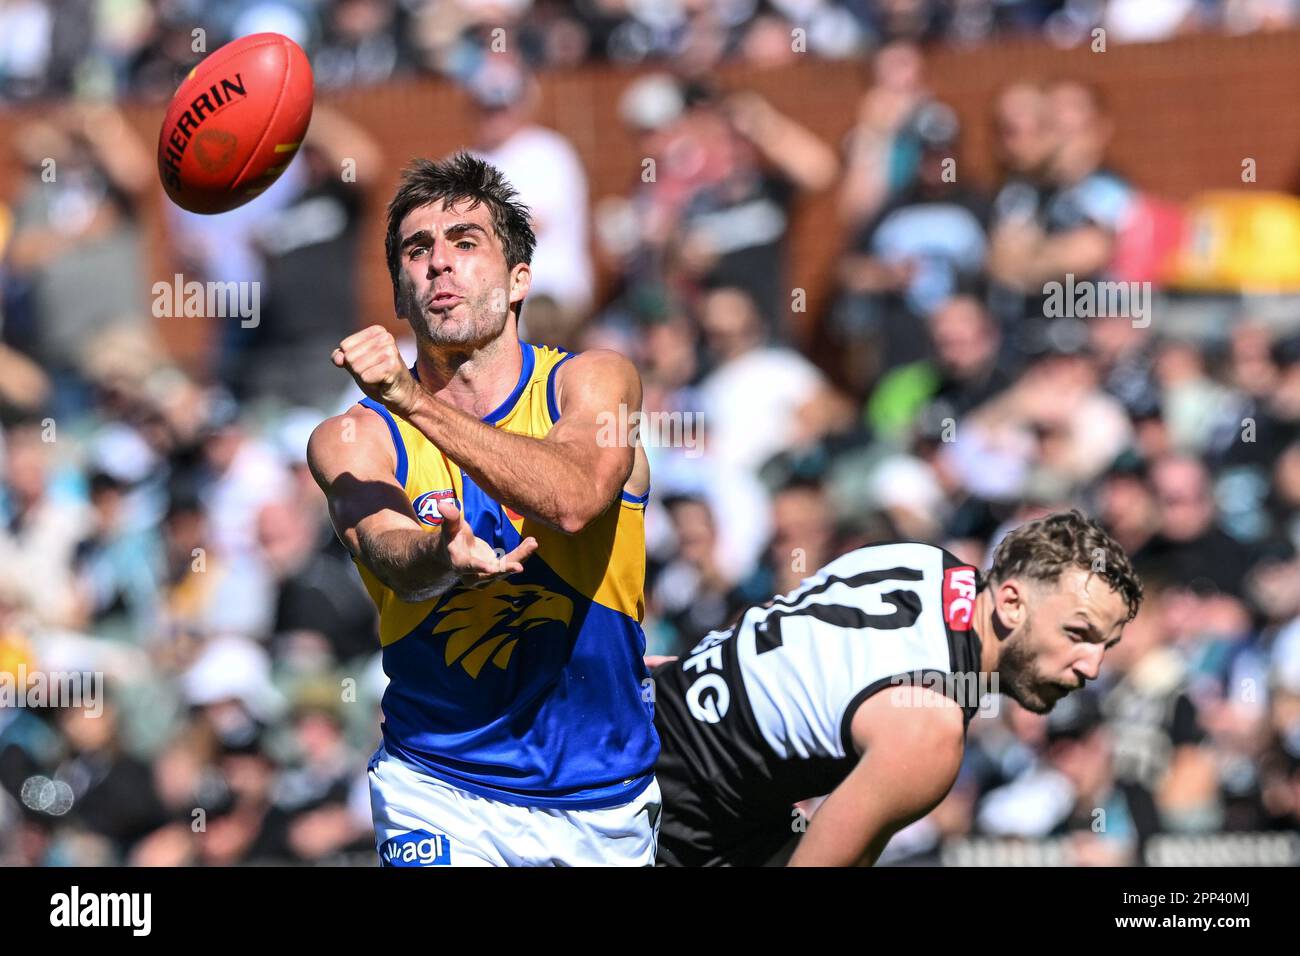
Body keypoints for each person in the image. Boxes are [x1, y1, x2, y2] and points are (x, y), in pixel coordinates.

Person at [307, 152, 659, 866]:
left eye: (466, 243)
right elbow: (389, 553)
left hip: (603, 796)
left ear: (519, 279)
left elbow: (574, 499)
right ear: (401, 295)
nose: (439, 263)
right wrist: (439, 556)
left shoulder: (592, 381)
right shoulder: (353, 435)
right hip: (438, 785)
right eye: (418, 250)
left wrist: (408, 398)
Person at [650, 509, 1143, 866]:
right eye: (1078, 635)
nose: (1092, 667)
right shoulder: (929, 727)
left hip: (646, 703)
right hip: (644, 801)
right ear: (1012, 603)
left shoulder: (919, 558)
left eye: (1107, 645)